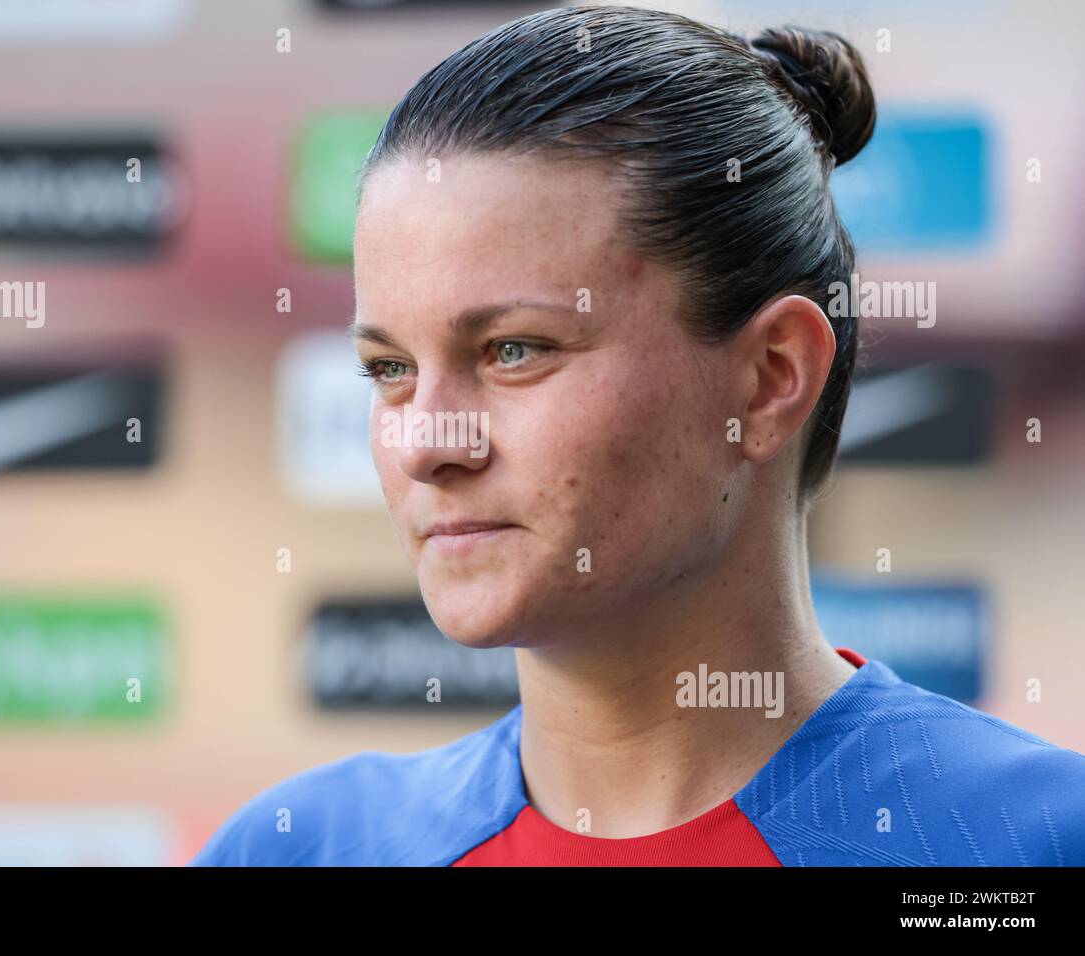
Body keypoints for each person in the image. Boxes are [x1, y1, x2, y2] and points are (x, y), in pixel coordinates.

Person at [193, 4, 1085, 866]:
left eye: (513, 350)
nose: (428, 442)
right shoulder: (299, 849)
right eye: (388, 369)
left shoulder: (1028, 843)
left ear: (772, 378)